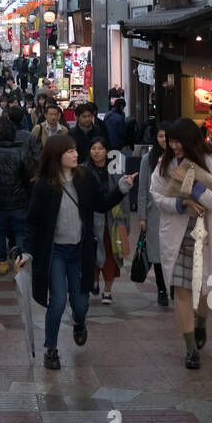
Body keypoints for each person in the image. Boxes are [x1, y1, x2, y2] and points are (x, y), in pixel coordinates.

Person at [19, 134, 132, 371]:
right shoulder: (44, 185)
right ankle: (51, 349)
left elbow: (101, 204)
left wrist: (121, 188)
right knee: (58, 301)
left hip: (80, 251)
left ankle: (79, 323)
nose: (76, 154)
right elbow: (33, 222)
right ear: (57, 155)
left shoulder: (85, 178)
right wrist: (27, 252)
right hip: (56, 252)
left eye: (75, 151)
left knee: (80, 302)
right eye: (70, 151)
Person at [150, 119, 212, 370]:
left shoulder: (210, 162)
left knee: (207, 287)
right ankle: (190, 348)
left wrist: (194, 187)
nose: (173, 145)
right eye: (170, 140)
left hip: (204, 234)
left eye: (177, 140)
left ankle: (201, 323)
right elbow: (157, 195)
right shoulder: (164, 165)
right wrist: (181, 204)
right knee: (181, 290)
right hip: (178, 235)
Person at [0, 118, 30, 275]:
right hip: (19, 201)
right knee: (20, 232)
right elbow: (27, 177)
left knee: (0, 231)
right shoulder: (21, 153)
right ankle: (19, 260)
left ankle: (2, 261)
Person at [85, 137, 127, 302]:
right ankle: (94, 281)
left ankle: (108, 290)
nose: (96, 151)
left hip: (111, 220)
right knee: (92, 252)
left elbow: (123, 196)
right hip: (91, 219)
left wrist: (124, 220)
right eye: (93, 148)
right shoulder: (84, 170)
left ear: (107, 151)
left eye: (100, 148)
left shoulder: (115, 170)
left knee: (111, 254)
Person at [136, 126, 171, 307]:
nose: (163, 139)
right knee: (156, 253)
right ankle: (161, 289)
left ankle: (172, 286)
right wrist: (142, 216)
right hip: (154, 212)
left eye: (166, 135)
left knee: (172, 251)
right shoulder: (147, 160)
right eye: (160, 136)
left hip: (175, 212)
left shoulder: (179, 158)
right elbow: (142, 190)